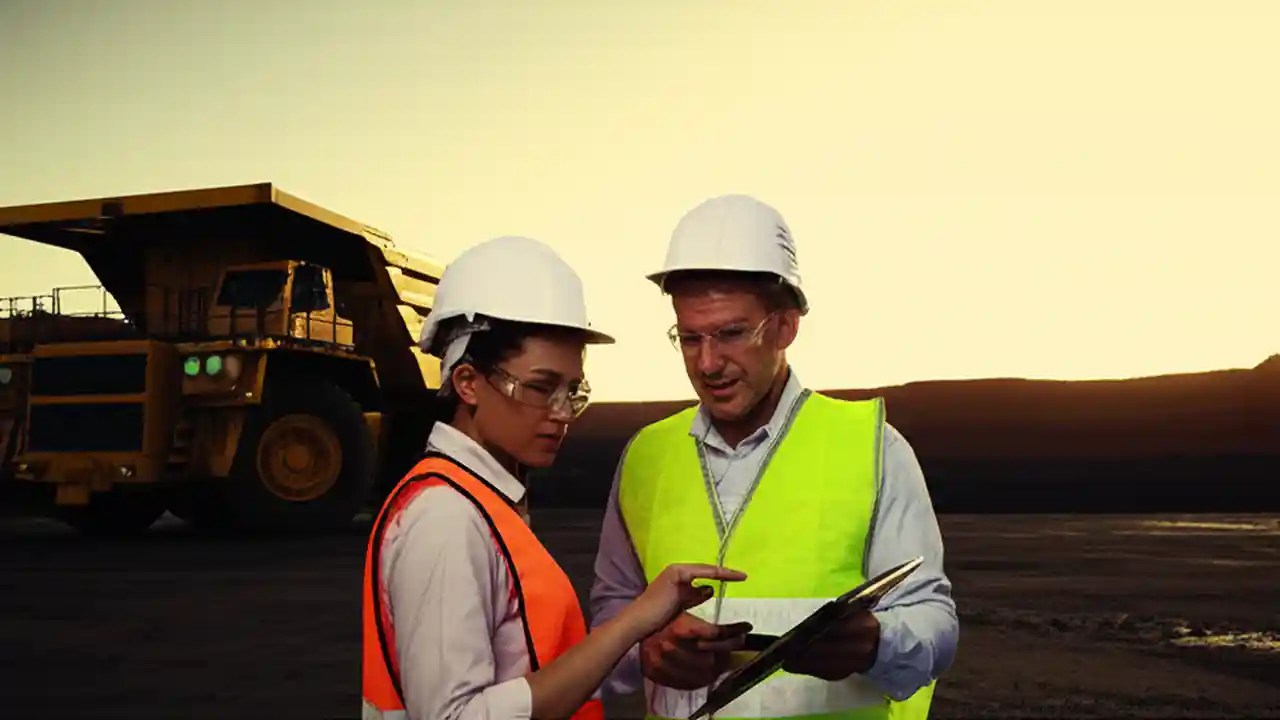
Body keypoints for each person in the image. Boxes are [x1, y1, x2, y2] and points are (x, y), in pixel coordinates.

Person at [589, 195, 959, 720]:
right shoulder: (645, 456)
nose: (708, 362)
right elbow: (611, 611)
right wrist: (644, 649)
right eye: (689, 338)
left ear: (786, 327)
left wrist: (876, 642)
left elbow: (933, 620)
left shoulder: (875, 448)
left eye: (732, 334)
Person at [361, 236, 747, 720]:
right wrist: (632, 622)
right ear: (467, 382)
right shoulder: (446, 518)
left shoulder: (480, 502)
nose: (563, 413)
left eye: (572, 390)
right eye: (541, 388)